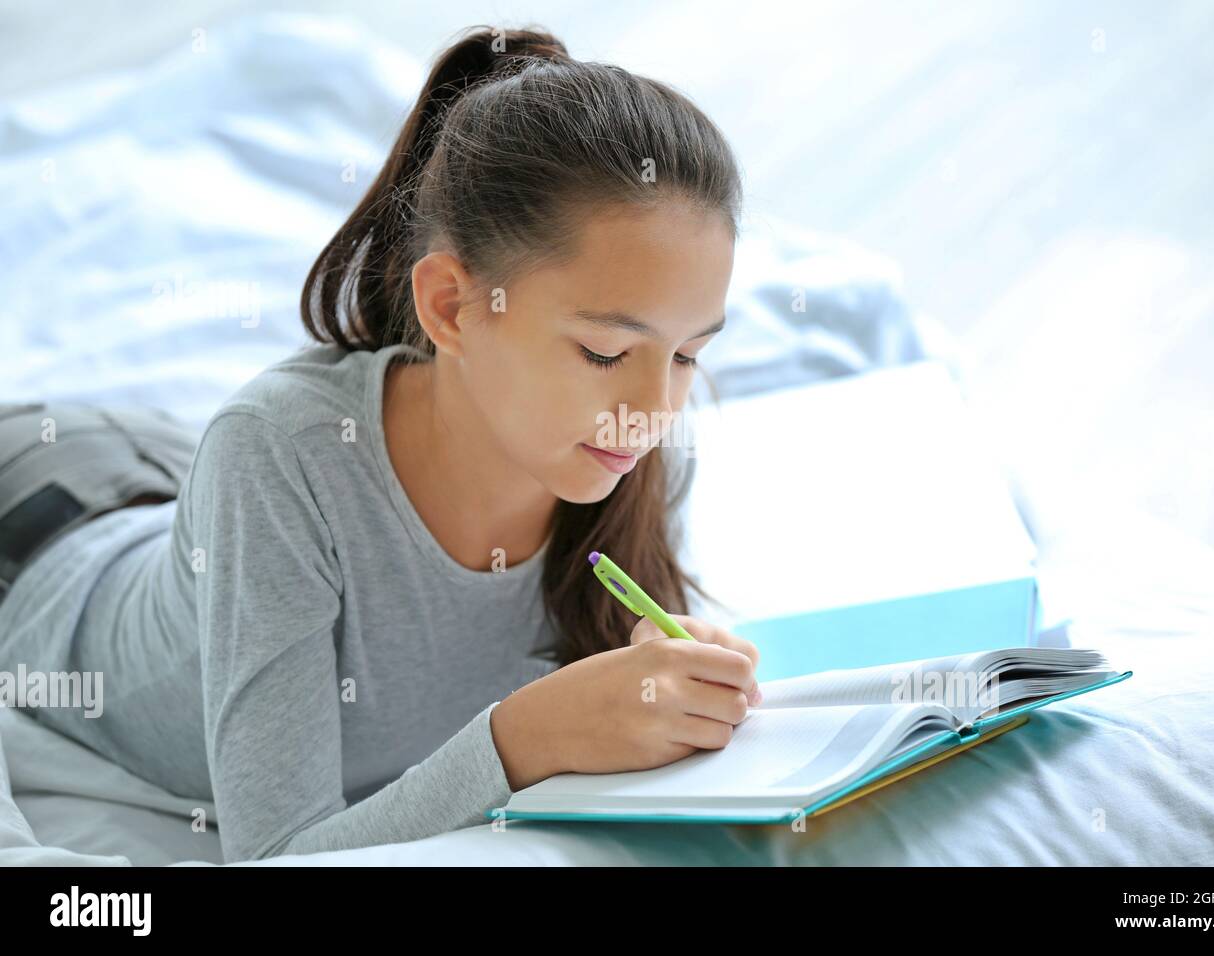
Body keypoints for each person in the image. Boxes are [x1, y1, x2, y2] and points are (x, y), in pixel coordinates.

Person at [0, 24, 761, 864]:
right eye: (603, 353)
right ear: (449, 306)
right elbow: (279, 856)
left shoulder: (631, 450)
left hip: (175, 481)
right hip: (37, 519)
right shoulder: (279, 457)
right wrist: (521, 741)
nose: (654, 408)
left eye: (688, 354)